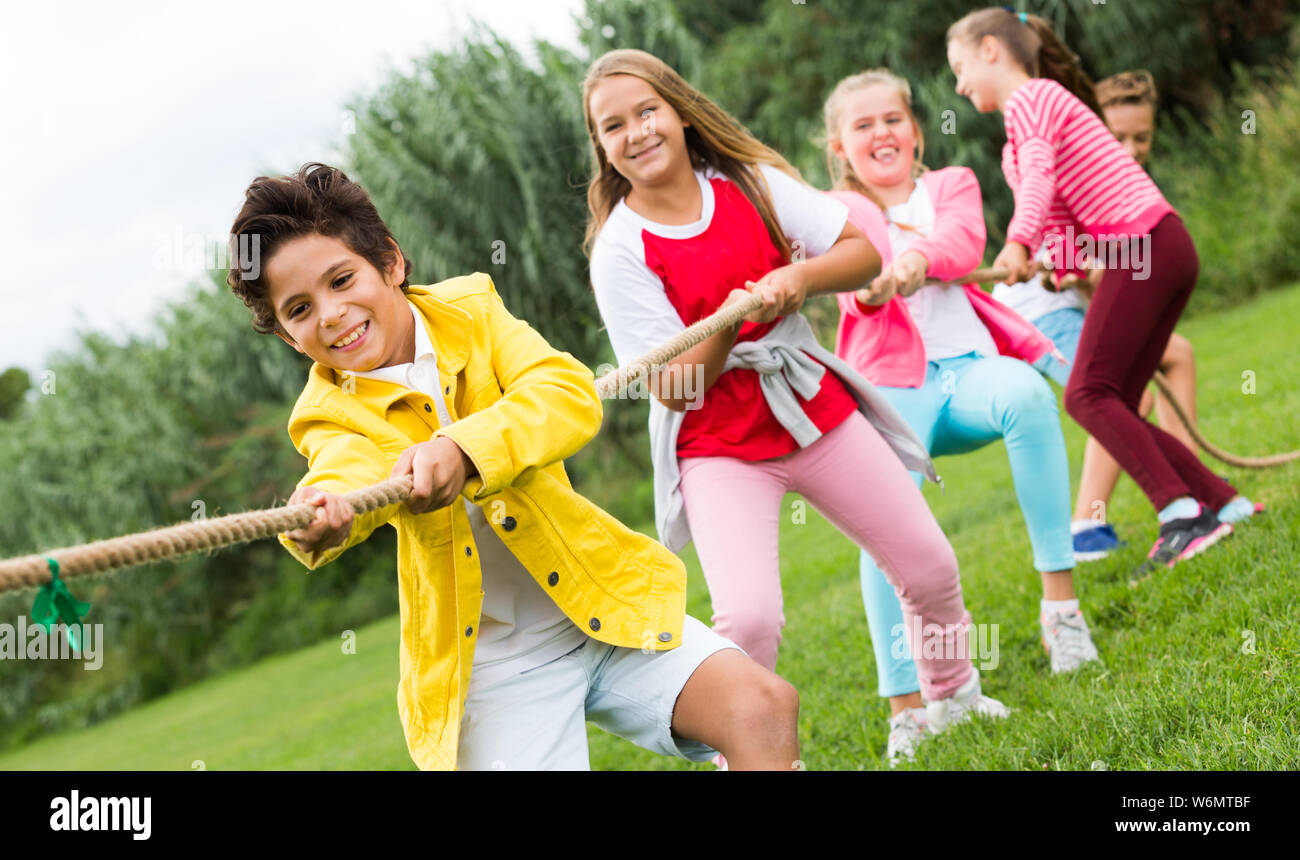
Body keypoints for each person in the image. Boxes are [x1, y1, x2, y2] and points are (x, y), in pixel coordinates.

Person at [226, 162, 803, 771]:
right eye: (299, 310)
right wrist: (324, 510)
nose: (331, 314)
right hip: (494, 668)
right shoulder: (327, 413)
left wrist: (464, 449)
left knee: (762, 707)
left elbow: (564, 393)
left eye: (342, 279)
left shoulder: (472, 310)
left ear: (390, 263)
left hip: (598, 603)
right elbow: (345, 466)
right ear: (290, 337)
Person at [584, 48, 1010, 768]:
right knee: (748, 618)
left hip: (812, 408)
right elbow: (674, 387)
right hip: (717, 444)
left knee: (929, 563)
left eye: (647, 111)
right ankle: (748, 756)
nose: (636, 133)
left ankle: (954, 696)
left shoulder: (750, 183)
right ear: (602, 146)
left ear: (681, 112)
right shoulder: (619, 248)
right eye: (613, 126)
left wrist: (797, 277)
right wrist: (728, 321)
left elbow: (862, 254)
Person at [821, 67, 1099, 761]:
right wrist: (869, 285)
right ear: (840, 147)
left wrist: (914, 259)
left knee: (1030, 397)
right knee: (883, 529)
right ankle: (907, 707)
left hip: (970, 372)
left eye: (893, 119)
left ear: (915, 132)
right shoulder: (833, 214)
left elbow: (961, 243)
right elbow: (847, 292)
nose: (881, 133)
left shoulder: (950, 186)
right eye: (863, 125)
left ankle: (1060, 612)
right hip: (891, 390)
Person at [946, 7, 1248, 571]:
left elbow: (1038, 179)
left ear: (991, 49)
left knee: (1085, 395)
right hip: (1156, 246)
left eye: (960, 66)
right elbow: (1066, 218)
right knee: (1116, 399)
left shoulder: (1033, 99)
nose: (959, 84)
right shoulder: (1029, 125)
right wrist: (1051, 262)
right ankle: (1223, 502)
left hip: (1146, 248)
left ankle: (1182, 515)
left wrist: (1015, 242)